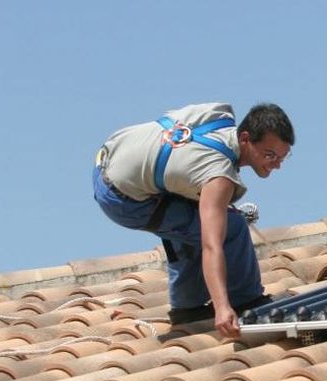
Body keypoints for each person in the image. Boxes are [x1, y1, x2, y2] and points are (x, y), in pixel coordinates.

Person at [93, 102, 294, 336]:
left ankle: (188, 308)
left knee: (193, 217)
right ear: (246, 138)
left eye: (282, 157)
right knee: (231, 227)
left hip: (108, 159)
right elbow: (212, 246)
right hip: (122, 199)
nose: (276, 164)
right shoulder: (218, 176)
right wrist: (222, 308)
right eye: (269, 155)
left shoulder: (218, 113)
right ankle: (246, 302)